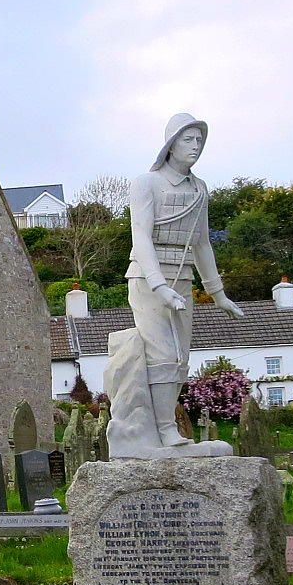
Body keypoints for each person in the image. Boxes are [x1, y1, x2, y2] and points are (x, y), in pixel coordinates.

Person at [105, 113, 243, 457]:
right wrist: (158, 286)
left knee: (180, 358)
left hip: (183, 278)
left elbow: (202, 244)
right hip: (148, 278)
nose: (195, 146)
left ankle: (166, 427)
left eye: (199, 140)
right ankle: (164, 431)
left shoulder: (200, 189)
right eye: (188, 139)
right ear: (171, 144)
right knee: (163, 354)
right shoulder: (146, 183)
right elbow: (141, 237)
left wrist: (218, 293)